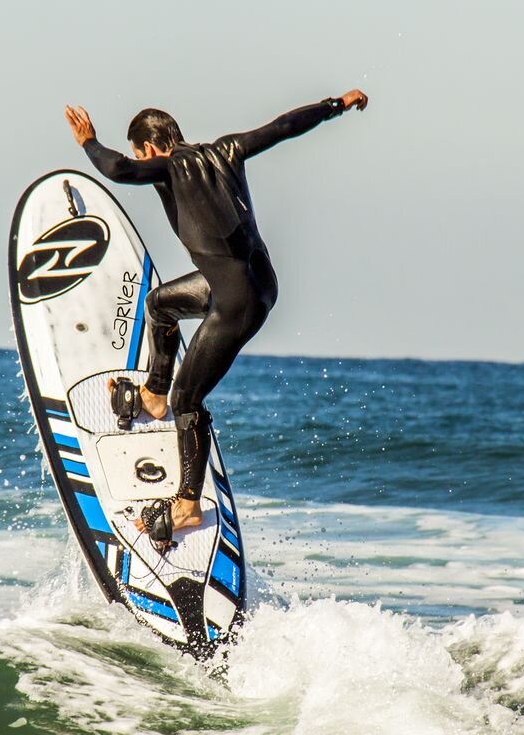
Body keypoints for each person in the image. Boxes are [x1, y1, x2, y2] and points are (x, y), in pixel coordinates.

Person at [64, 90, 368, 550]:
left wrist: (89, 143)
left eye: (139, 154)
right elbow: (284, 125)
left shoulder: (167, 166)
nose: (140, 163)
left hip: (235, 302)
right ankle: (152, 397)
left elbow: (118, 170)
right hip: (256, 282)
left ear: (149, 147)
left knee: (191, 400)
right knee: (160, 304)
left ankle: (187, 504)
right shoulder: (228, 149)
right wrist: (335, 105)